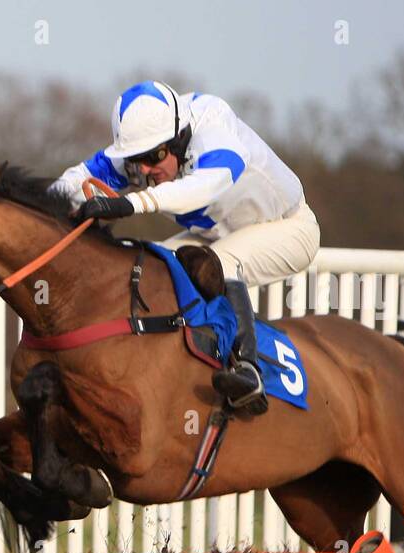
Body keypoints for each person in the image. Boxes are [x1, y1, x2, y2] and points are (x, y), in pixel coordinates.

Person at [49, 81, 320, 414]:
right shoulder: (152, 143)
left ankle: (247, 372)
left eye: (154, 157)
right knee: (151, 269)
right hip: (217, 235)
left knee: (220, 262)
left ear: (179, 139)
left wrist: (129, 204)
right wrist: (35, 207)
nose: (145, 170)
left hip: (288, 228)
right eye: (137, 161)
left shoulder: (214, 126)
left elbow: (205, 186)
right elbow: (78, 179)